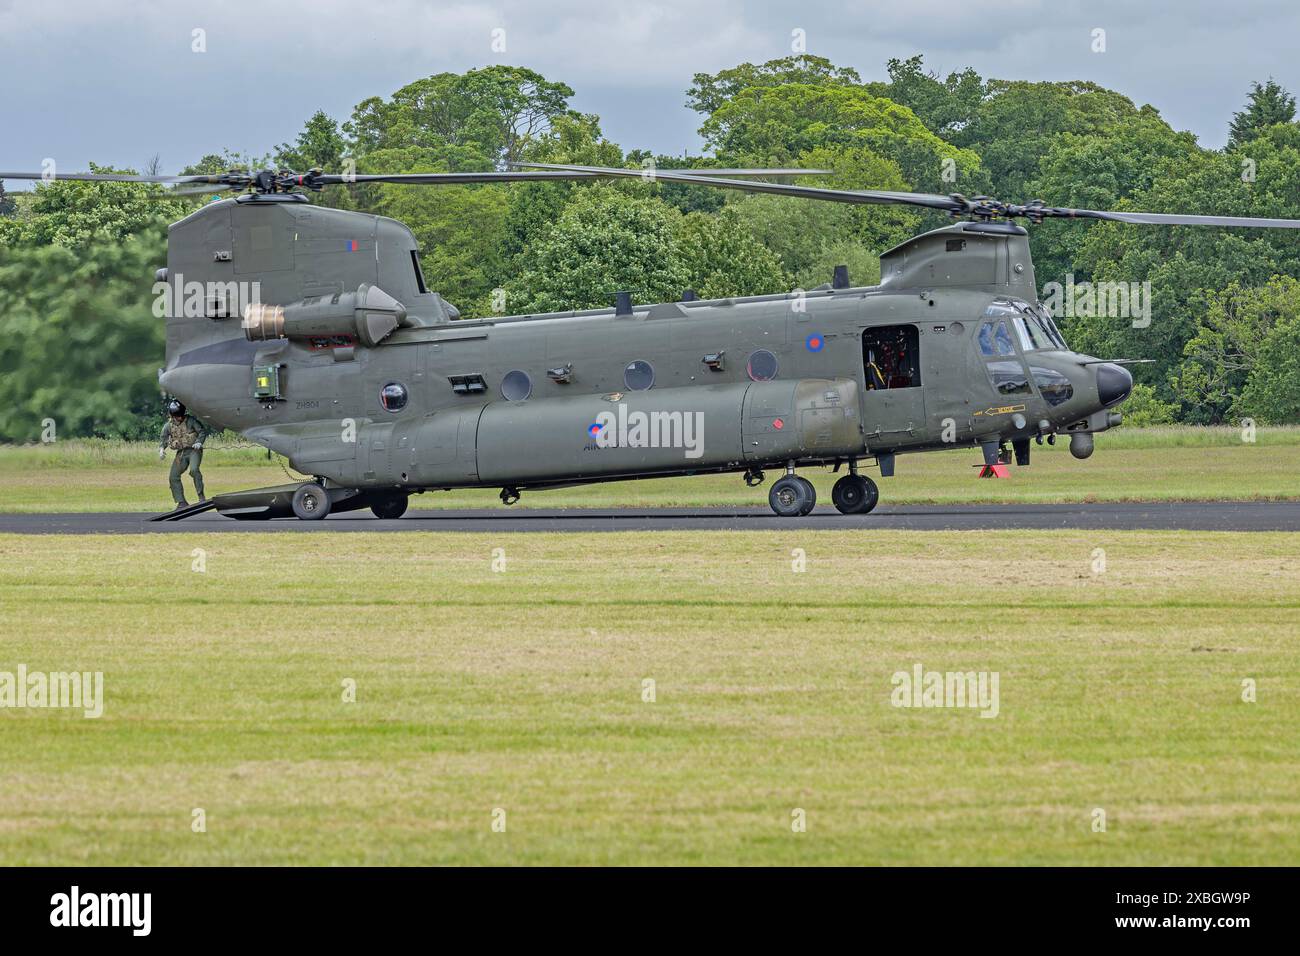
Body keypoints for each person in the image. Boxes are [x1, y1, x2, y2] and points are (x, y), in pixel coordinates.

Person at [158, 400, 208, 508]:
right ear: (172, 416)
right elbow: (163, 438)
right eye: (177, 416)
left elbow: (202, 431)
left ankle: (201, 497)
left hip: (194, 451)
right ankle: (181, 502)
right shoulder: (168, 426)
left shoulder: (191, 421)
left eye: (181, 415)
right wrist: (162, 449)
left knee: (194, 470)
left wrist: (199, 442)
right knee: (173, 476)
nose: (180, 418)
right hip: (181, 453)